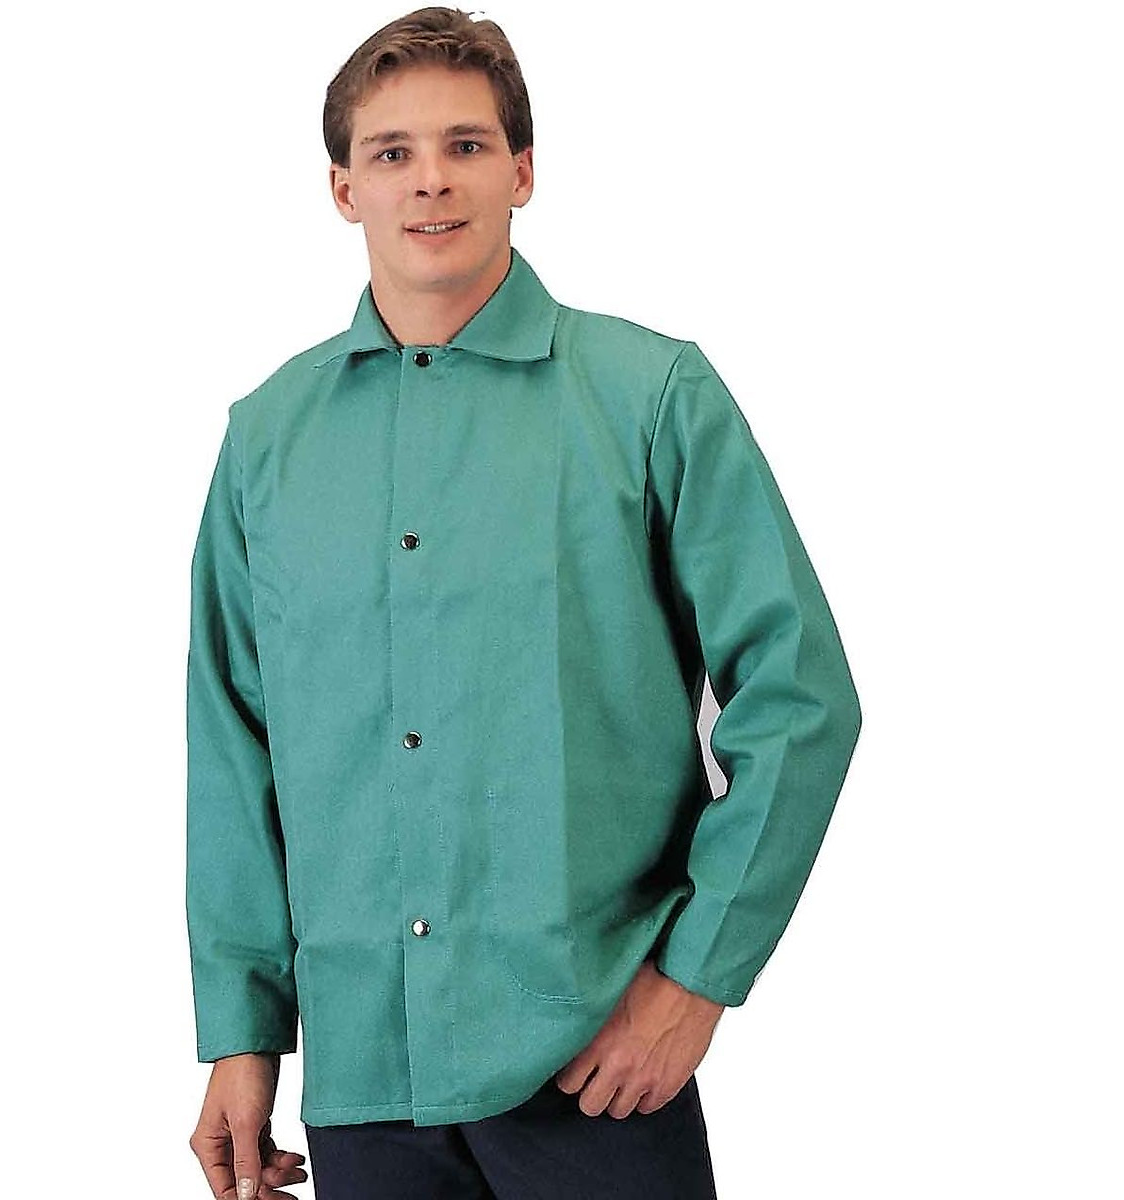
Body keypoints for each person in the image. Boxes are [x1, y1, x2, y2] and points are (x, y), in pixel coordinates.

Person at [185, 7, 862, 1198]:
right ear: (344, 189)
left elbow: (799, 698)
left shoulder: (651, 396)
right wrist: (243, 1037)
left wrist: (695, 981)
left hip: (598, 1066)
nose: (430, 179)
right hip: (366, 1077)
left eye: (467, 144)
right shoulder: (266, 442)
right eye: (392, 152)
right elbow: (235, 750)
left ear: (523, 171)